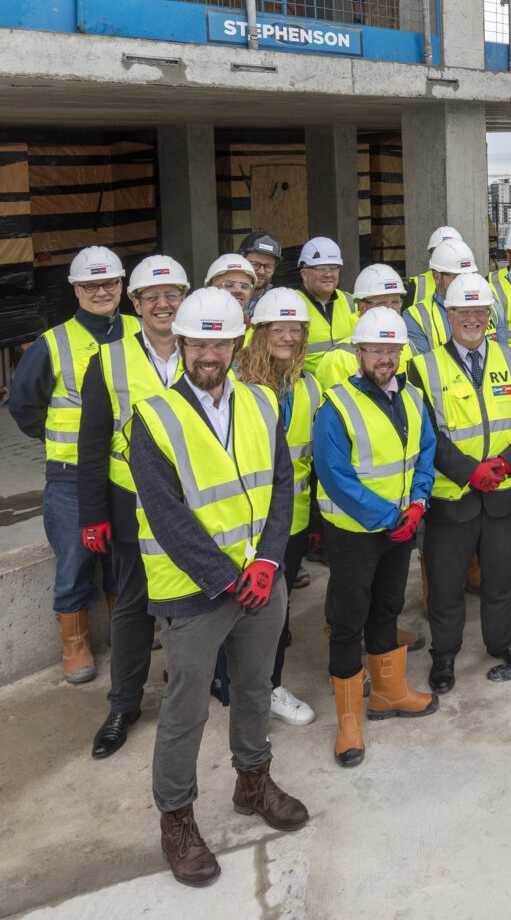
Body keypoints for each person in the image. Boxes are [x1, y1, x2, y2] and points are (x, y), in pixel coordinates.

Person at [128, 287, 307, 886]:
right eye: (198, 341)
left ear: (237, 344)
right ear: (180, 344)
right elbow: (165, 513)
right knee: (185, 710)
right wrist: (230, 578)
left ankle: (252, 781)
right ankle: (176, 819)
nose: (210, 352)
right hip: (195, 592)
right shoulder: (153, 418)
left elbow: (281, 486)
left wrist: (270, 562)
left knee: (257, 689)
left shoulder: (261, 403)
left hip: (261, 583)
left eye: (220, 341)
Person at [314, 306, 439, 767]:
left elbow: (425, 451)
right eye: (375, 350)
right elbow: (334, 475)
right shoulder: (337, 405)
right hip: (355, 533)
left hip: (400, 525)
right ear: (358, 352)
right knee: (348, 620)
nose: (384, 358)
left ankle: (388, 694)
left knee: (388, 607)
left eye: (392, 349)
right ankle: (348, 724)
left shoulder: (411, 397)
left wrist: (419, 503)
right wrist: (390, 515)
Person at [413, 273, 511, 693]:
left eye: (479, 310)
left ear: (489, 315)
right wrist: (470, 471)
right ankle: (445, 655)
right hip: (453, 498)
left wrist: (506, 464)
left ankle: (502, 643)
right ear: (448, 315)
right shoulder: (423, 367)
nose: (472, 318)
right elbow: (426, 434)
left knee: (500, 578)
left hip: (503, 495)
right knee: (446, 586)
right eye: (463, 311)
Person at [9, 245, 135, 683]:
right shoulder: (52, 343)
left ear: (122, 286)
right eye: (90, 285)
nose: (101, 291)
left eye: (110, 283)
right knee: (75, 559)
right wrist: (60, 440)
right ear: (75, 290)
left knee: (126, 555)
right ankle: (75, 644)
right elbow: (25, 407)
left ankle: (129, 629)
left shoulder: (141, 331)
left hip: (127, 470)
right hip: (70, 474)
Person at [78, 255, 187, 757]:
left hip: (196, 502)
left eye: (172, 295)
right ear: (135, 304)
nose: (163, 305)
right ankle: (123, 705)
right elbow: (92, 442)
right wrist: (93, 513)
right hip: (132, 505)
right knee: (133, 610)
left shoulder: (208, 349)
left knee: (198, 604)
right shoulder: (109, 359)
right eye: (152, 297)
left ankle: (197, 690)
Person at [233, 288, 320, 726]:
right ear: (259, 332)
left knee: (277, 613)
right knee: (236, 609)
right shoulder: (238, 385)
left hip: (293, 518)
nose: (287, 337)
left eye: (295, 329)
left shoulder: (308, 386)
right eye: (277, 328)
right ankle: (236, 684)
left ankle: (269, 687)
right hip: (242, 520)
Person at [405, 237, 506, 352]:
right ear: (437, 277)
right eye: (457, 276)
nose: (464, 282)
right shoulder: (417, 318)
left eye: (469, 274)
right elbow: (422, 367)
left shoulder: (492, 306)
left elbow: (502, 355)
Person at [296, 236, 357, 382]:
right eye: (321, 268)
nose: (328, 274)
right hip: (309, 391)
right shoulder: (293, 304)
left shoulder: (350, 302)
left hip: (349, 389)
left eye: (333, 268)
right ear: (304, 274)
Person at [409, 225, 464, 305]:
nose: (445, 256)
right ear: (430, 255)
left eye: (450, 252)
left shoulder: (475, 283)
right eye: (439, 252)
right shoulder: (415, 287)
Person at [239, 232, 283, 315]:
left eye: (268, 266)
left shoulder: (278, 301)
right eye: (255, 264)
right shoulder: (224, 296)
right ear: (241, 261)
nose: (261, 272)